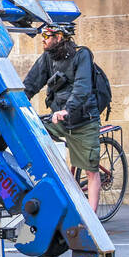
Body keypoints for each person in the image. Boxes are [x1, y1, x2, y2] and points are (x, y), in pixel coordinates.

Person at [22, 23, 100, 210]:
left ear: (60, 37)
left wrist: (67, 109)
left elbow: (82, 88)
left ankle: (91, 221)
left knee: (91, 171)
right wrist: (18, 102)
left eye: (47, 36)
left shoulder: (82, 55)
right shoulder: (48, 57)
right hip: (59, 120)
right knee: (31, 131)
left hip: (83, 121)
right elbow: (31, 83)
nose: (43, 39)